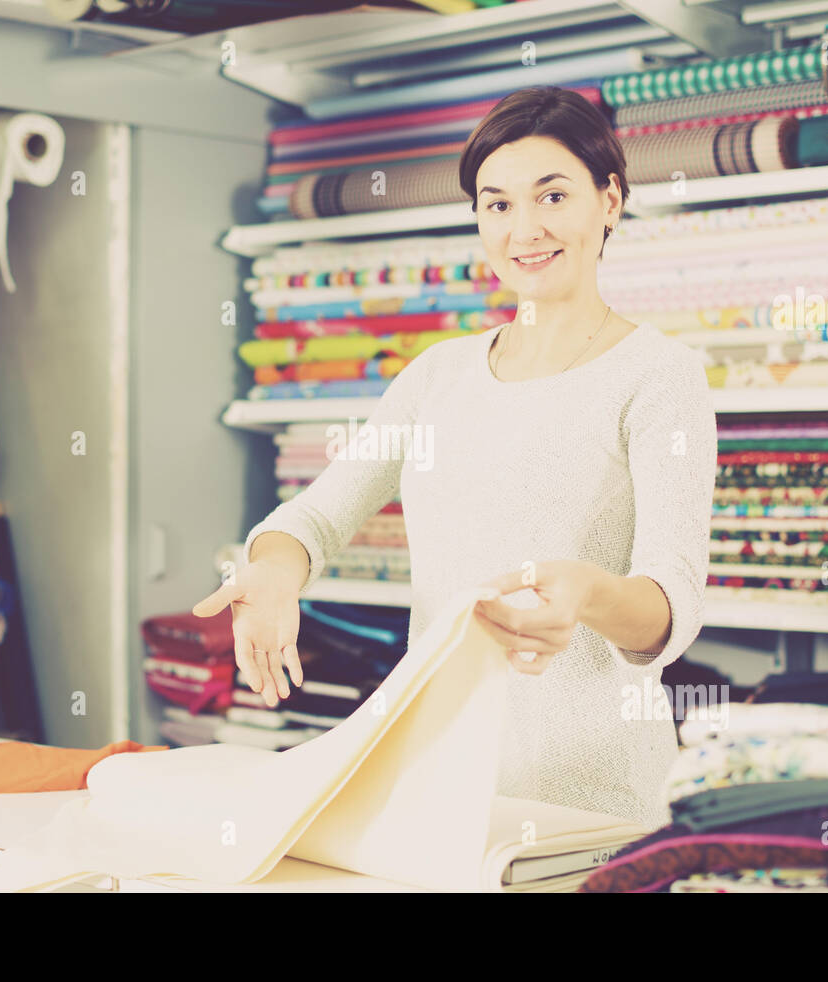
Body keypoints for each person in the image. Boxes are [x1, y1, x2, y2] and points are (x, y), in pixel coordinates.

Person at [193, 85, 718, 827]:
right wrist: (275, 572)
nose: (524, 228)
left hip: (595, 805)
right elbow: (315, 517)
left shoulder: (659, 376)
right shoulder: (437, 376)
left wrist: (586, 592)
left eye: (553, 196)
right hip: (437, 790)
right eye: (497, 204)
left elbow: (672, 605)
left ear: (610, 200)